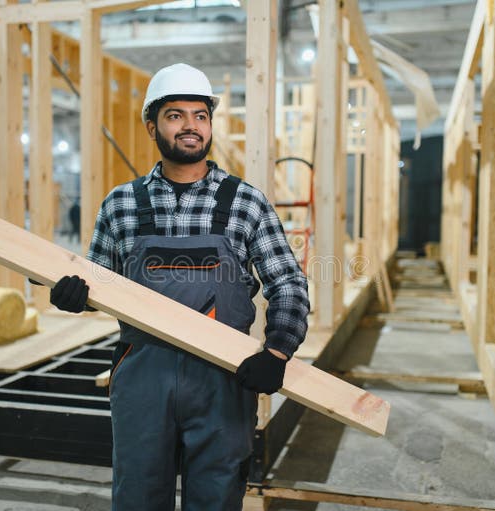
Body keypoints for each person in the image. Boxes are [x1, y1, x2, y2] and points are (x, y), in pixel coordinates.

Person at [49, 63, 309, 511]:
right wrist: (75, 295)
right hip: (142, 377)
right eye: (175, 115)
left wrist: (278, 351)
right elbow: (97, 282)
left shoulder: (245, 202)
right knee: (138, 497)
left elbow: (288, 281)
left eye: (200, 115)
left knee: (216, 497)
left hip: (223, 379)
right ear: (153, 126)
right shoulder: (122, 204)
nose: (190, 126)